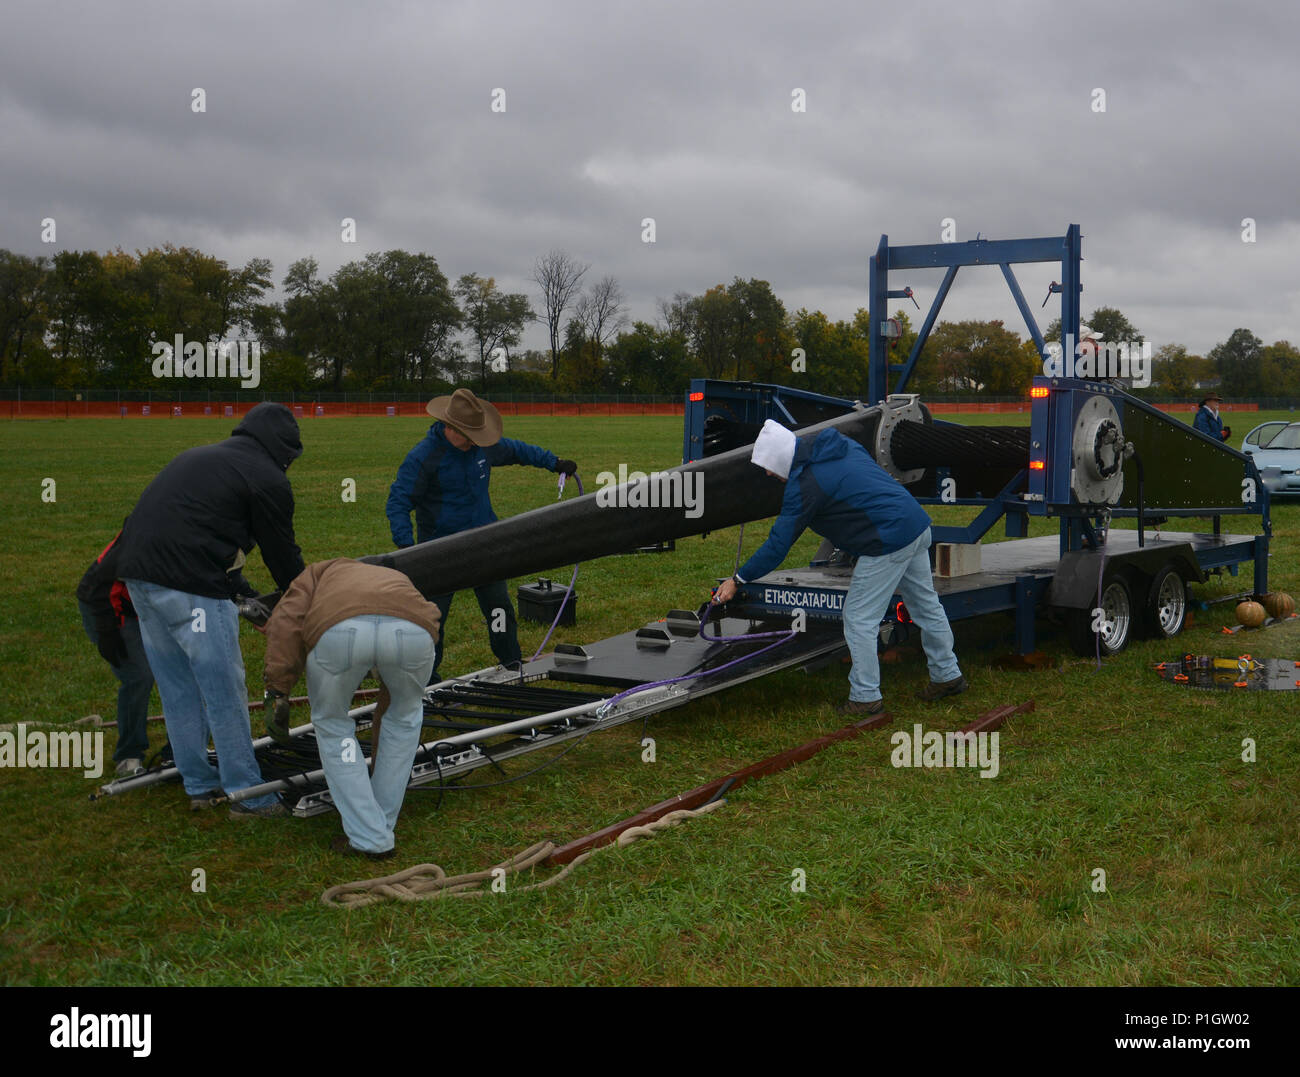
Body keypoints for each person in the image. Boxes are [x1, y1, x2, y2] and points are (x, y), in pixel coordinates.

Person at [118, 402, 306, 818]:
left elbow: (202, 538)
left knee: (178, 687)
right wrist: (308, 597)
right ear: (283, 451)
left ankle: (199, 785)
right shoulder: (267, 477)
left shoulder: (202, 457)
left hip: (138, 578)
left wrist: (247, 598)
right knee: (223, 691)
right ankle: (248, 795)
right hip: (190, 587)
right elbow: (282, 555)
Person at [711, 420, 966, 715]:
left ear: (782, 459)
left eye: (769, 466)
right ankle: (948, 675)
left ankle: (865, 696)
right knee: (926, 607)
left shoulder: (805, 486)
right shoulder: (838, 446)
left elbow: (778, 545)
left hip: (887, 541)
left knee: (859, 618)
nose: (768, 473)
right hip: (916, 525)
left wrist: (738, 579)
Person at [385, 388, 576, 679]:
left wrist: (554, 462)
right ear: (451, 427)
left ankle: (511, 661)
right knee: (431, 619)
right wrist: (407, 547)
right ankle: (427, 677)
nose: (476, 439)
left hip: (485, 544)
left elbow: (517, 450)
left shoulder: (482, 447)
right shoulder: (424, 457)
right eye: (469, 433)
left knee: (499, 608)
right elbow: (398, 501)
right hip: (438, 551)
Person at [262, 558, 440, 859]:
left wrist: (277, 688)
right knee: (404, 718)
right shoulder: (393, 576)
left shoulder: (315, 574)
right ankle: (378, 824)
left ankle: (371, 837)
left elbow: (286, 621)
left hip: (340, 632)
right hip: (415, 632)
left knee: (333, 725)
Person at [77, 523, 155, 779]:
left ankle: (180, 749)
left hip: (143, 605)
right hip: (109, 607)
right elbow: (101, 583)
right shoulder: (146, 533)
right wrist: (108, 631)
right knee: (138, 676)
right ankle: (128, 754)